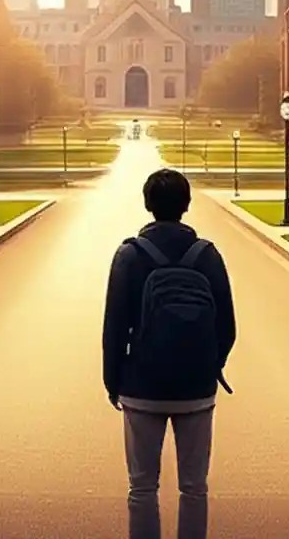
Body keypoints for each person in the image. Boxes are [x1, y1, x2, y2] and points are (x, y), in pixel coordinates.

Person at [102, 168, 236, 539]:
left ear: (148, 205)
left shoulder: (129, 255)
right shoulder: (207, 256)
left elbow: (113, 327)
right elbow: (227, 326)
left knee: (142, 487)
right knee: (194, 486)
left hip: (141, 387)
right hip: (195, 388)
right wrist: (209, 365)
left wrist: (114, 381)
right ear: (187, 205)